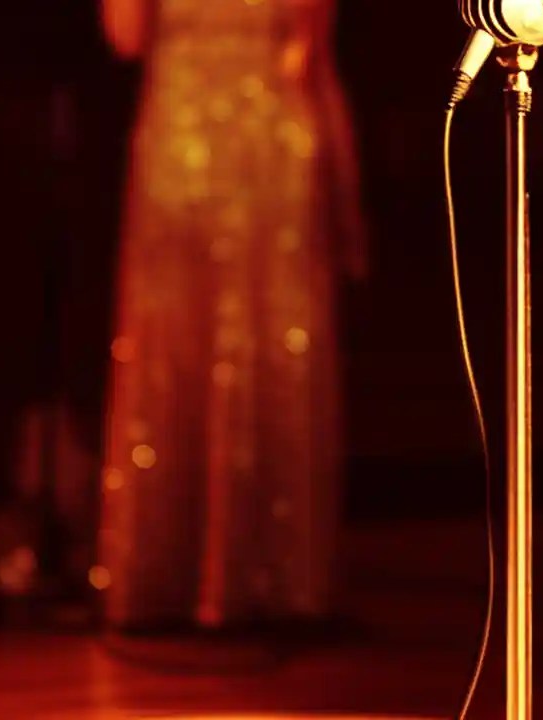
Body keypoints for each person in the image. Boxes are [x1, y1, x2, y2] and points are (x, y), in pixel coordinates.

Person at [96, 0, 367, 634]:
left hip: (256, 142)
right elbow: (127, 36)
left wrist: (344, 190)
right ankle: (236, 576)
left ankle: (241, 576)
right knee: (188, 347)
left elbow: (313, 55)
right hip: (201, 138)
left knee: (257, 344)